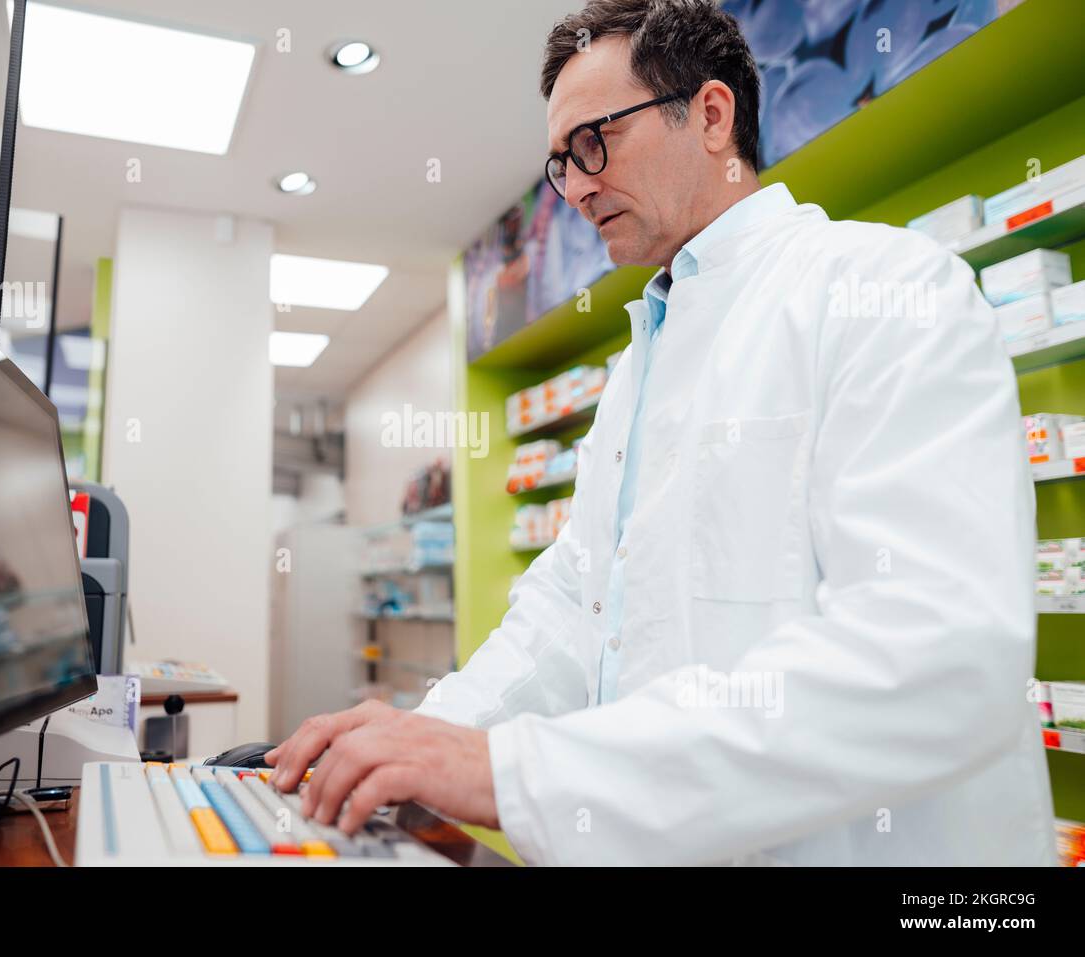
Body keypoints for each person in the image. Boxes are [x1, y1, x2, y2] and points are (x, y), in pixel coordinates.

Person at [266, 0, 1056, 866]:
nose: (573, 188)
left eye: (593, 143)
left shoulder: (888, 292)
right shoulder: (638, 371)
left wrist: (520, 771)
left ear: (713, 116)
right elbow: (571, 607)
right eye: (561, 163)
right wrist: (422, 736)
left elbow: (936, 658)